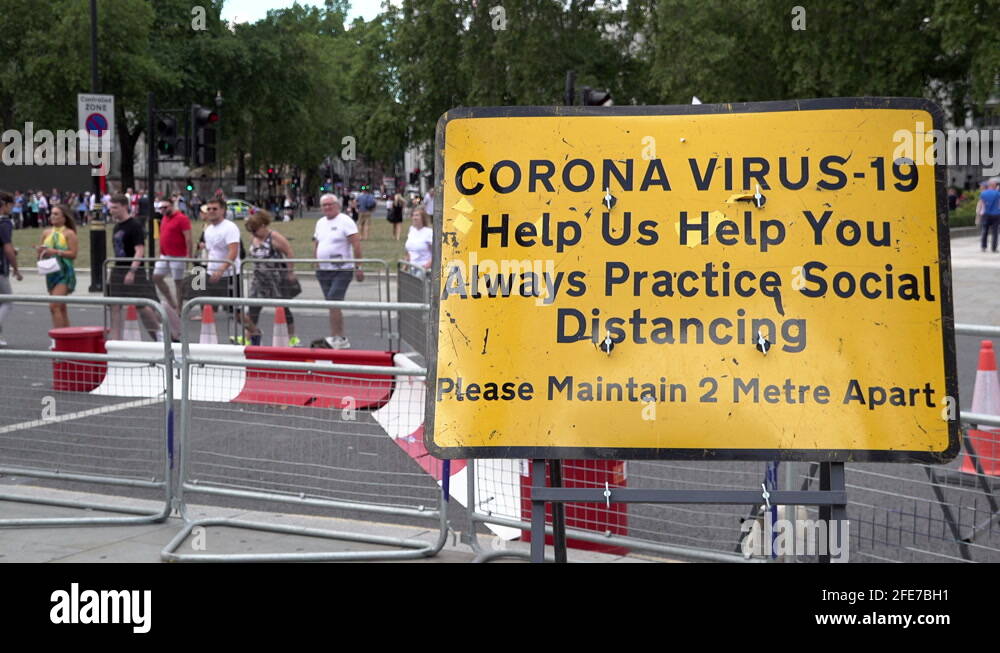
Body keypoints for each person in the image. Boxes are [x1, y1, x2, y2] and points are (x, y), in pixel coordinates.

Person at [106, 195, 178, 341]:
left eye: (115, 207)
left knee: (144, 305)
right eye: (110, 207)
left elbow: (139, 250)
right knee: (114, 305)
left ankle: (162, 335)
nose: (111, 211)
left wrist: (132, 271)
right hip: (118, 269)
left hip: (133, 269)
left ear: (124, 207)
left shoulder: (134, 225)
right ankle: (115, 338)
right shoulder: (117, 227)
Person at [240, 211, 300, 346]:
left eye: (255, 230)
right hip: (259, 279)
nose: (253, 233)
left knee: (283, 308)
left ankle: (291, 336)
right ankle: (249, 335)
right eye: (251, 230)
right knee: (253, 308)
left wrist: (290, 272)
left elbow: (289, 252)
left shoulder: (275, 237)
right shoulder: (253, 238)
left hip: (276, 278)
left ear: (262, 226)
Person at [314, 194, 363, 349]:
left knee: (334, 298)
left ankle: (338, 337)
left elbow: (356, 244)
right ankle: (338, 335)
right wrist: (315, 262)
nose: (327, 208)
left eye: (330, 204)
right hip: (324, 270)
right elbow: (317, 243)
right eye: (324, 205)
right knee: (331, 303)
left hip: (342, 269)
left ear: (337, 205)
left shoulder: (345, 221)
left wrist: (358, 267)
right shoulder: (320, 222)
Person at [199, 198, 243, 329]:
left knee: (236, 313)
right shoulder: (208, 230)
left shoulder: (230, 227)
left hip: (230, 276)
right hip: (211, 274)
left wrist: (221, 269)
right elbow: (212, 251)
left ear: (223, 211)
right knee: (208, 309)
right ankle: (210, 342)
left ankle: (254, 333)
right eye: (209, 209)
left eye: (215, 209)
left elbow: (233, 251)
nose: (211, 211)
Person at [36, 204, 78, 328]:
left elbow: (73, 254)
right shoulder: (46, 232)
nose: (52, 216)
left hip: (64, 272)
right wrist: (40, 253)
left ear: (64, 217)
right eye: (52, 213)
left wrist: (56, 252)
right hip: (51, 271)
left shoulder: (69, 233)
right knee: (61, 307)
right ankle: (67, 337)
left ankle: (58, 338)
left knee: (54, 306)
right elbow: (40, 253)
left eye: (56, 214)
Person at [152, 197, 193, 312]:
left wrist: (189, 255)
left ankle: (179, 309)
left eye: (165, 207)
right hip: (165, 255)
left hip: (179, 255)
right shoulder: (164, 218)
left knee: (178, 282)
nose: (163, 210)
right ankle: (172, 302)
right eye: (160, 208)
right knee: (156, 277)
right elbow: (162, 236)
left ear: (172, 206)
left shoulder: (182, 218)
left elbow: (188, 238)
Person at [0, 192, 23, 346]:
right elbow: (7, 248)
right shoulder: (5, 223)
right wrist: (16, 268)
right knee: (8, 301)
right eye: (11, 205)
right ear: (5, 205)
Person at [404, 206, 433, 271]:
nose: (414, 218)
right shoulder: (411, 229)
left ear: (422, 218)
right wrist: (405, 266)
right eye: (413, 215)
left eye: (417, 215)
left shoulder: (429, 232)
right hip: (411, 267)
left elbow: (436, 252)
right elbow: (408, 251)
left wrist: (428, 265)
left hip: (423, 269)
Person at [978, 178, 1000, 253]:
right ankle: (994, 248)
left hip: (986, 214)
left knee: (984, 230)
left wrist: (980, 213)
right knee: (995, 232)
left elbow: (982, 204)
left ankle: (983, 246)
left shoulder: (983, 193)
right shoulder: (998, 193)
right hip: (996, 214)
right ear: (994, 185)